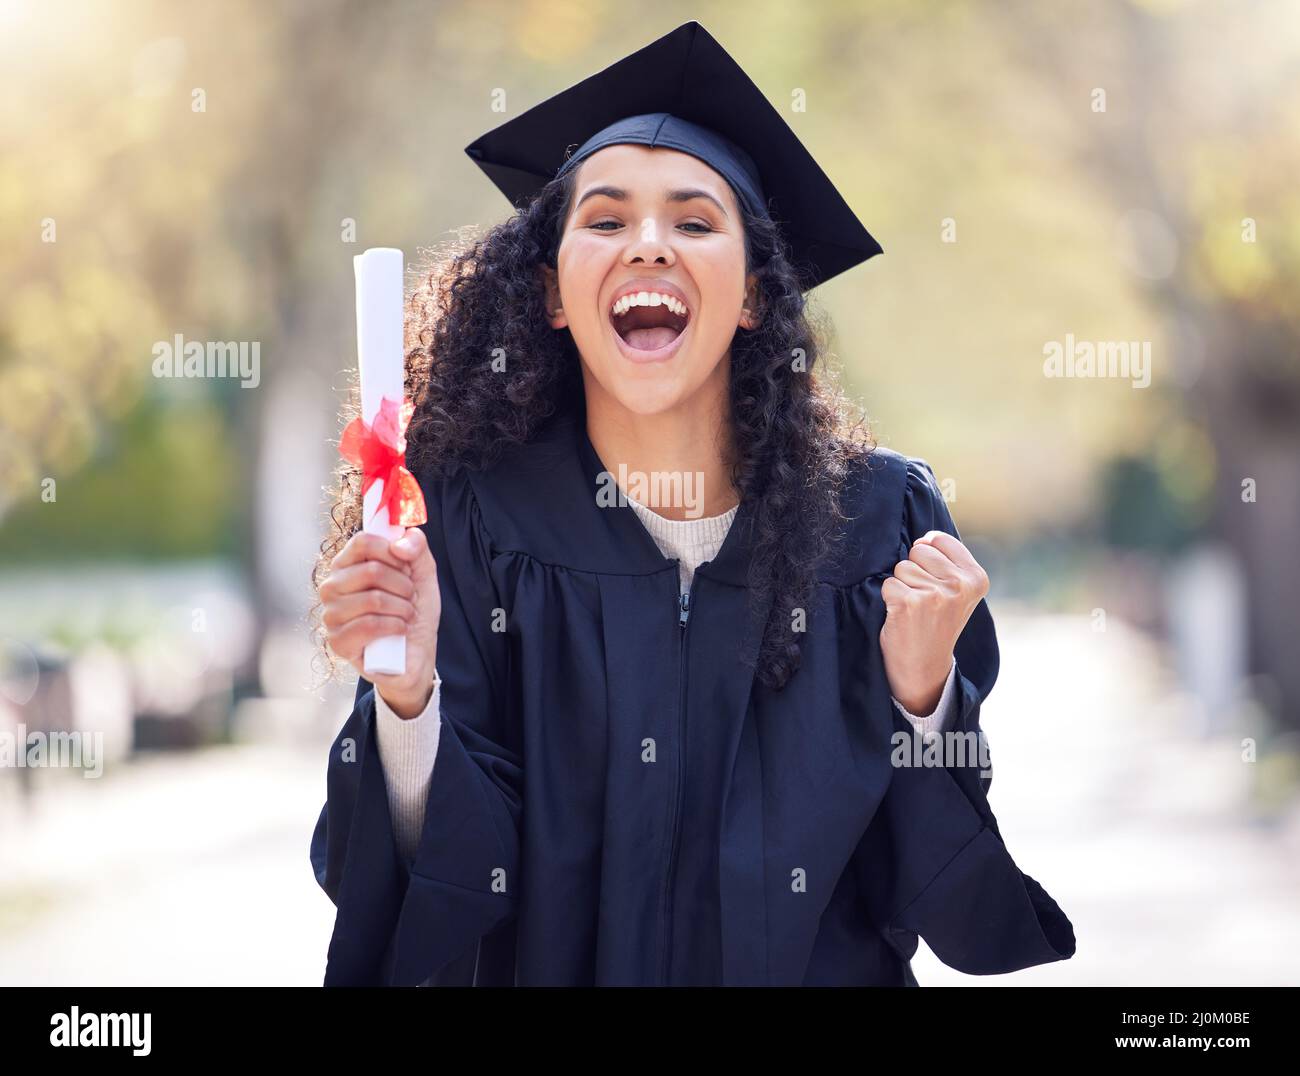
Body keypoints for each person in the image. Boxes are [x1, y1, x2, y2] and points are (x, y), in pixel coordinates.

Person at [309, 20, 1075, 987]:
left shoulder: (877, 527)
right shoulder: (467, 523)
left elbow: (951, 909)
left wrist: (922, 704)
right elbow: (417, 891)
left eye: (696, 221)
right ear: (550, 293)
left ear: (755, 295)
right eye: (606, 219)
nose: (650, 246)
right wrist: (408, 699)